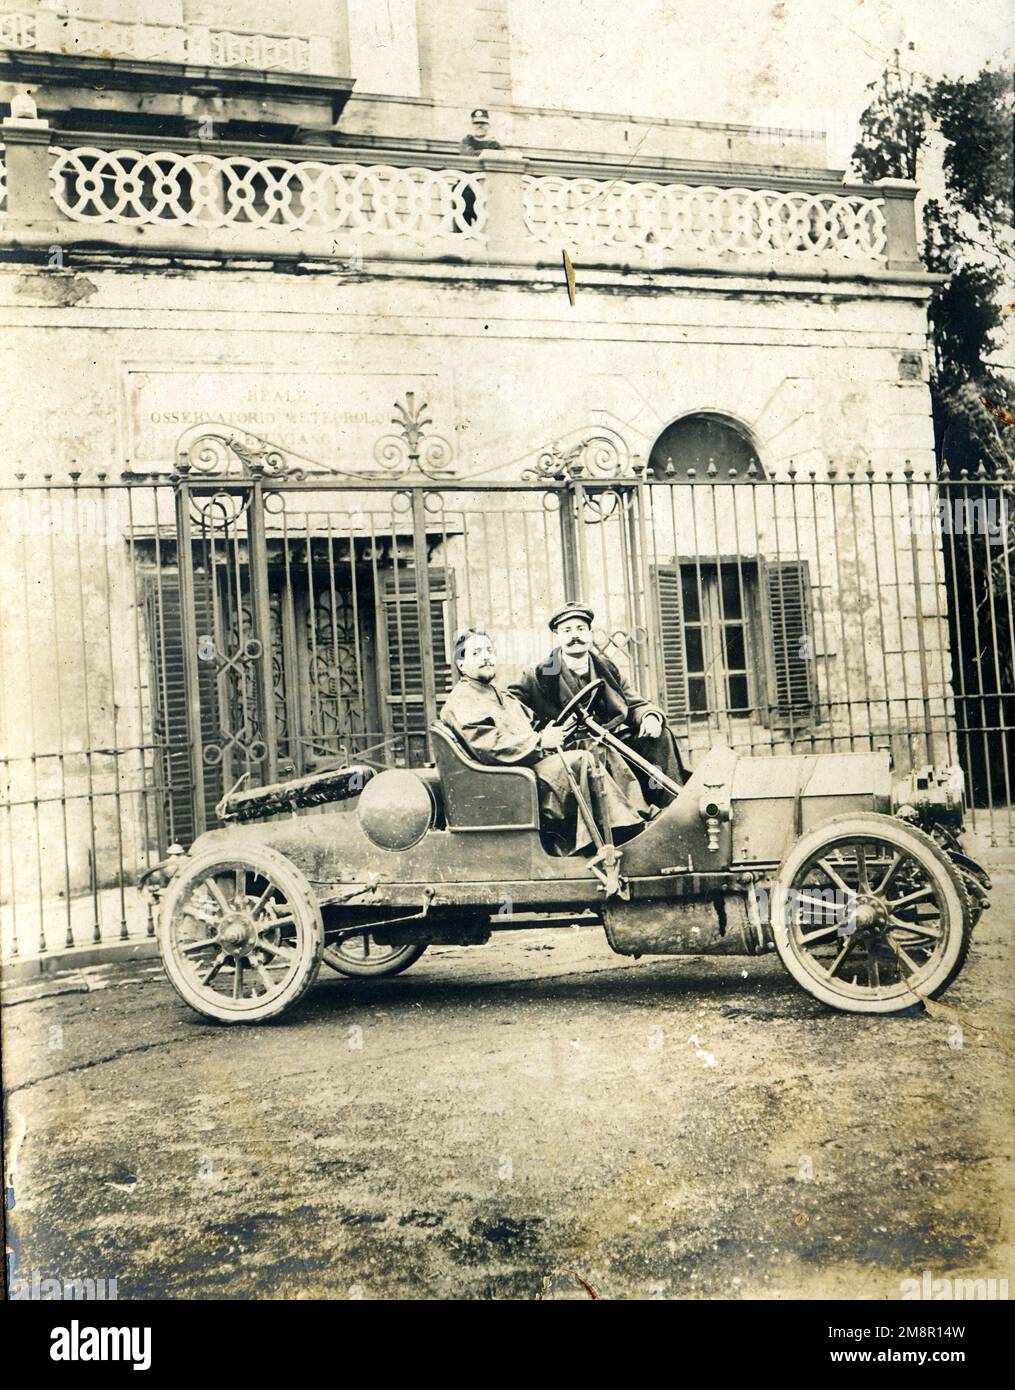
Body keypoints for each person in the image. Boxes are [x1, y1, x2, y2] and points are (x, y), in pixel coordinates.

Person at [441, 629, 645, 855]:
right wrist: (540, 741)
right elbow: (490, 746)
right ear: (461, 665)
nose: (486, 657)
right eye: (476, 653)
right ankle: (608, 836)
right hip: (510, 777)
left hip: (527, 762)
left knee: (595, 746)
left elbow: (532, 723)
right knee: (581, 760)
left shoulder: (496, 693)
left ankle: (636, 817)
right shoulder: (463, 699)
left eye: (489, 651)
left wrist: (555, 730)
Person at [509, 603, 689, 808]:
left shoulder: (607, 668)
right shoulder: (538, 675)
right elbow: (510, 709)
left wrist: (649, 716)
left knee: (660, 737)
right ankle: (636, 820)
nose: (574, 636)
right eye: (567, 631)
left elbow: (633, 703)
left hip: (608, 742)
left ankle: (672, 808)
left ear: (590, 633)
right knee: (603, 755)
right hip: (567, 752)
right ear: (557, 636)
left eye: (580, 629)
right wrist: (540, 736)